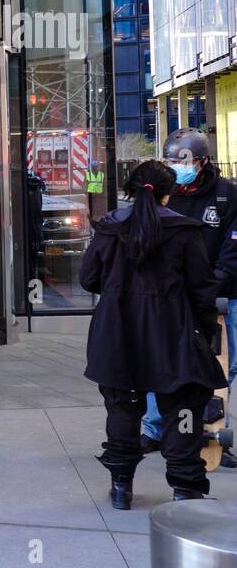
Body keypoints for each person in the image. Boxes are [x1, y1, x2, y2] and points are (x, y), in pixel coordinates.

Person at [80, 159, 227, 508]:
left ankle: (121, 485)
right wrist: (205, 333)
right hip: (172, 335)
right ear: (168, 193)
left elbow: (88, 279)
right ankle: (185, 485)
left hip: (116, 334)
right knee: (185, 410)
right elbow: (202, 289)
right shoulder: (184, 230)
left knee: (122, 409)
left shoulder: (109, 229)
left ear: (130, 190)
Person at [141, 128, 237, 468]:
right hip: (174, 296)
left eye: (184, 161)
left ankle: (215, 431)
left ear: (203, 161)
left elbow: (233, 246)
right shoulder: (163, 195)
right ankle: (154, 429)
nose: (177, 167)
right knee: (163, 360)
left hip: (223, 296)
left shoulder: (227, 195)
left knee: (226, 364)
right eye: (170, 161)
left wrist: (213, 286)